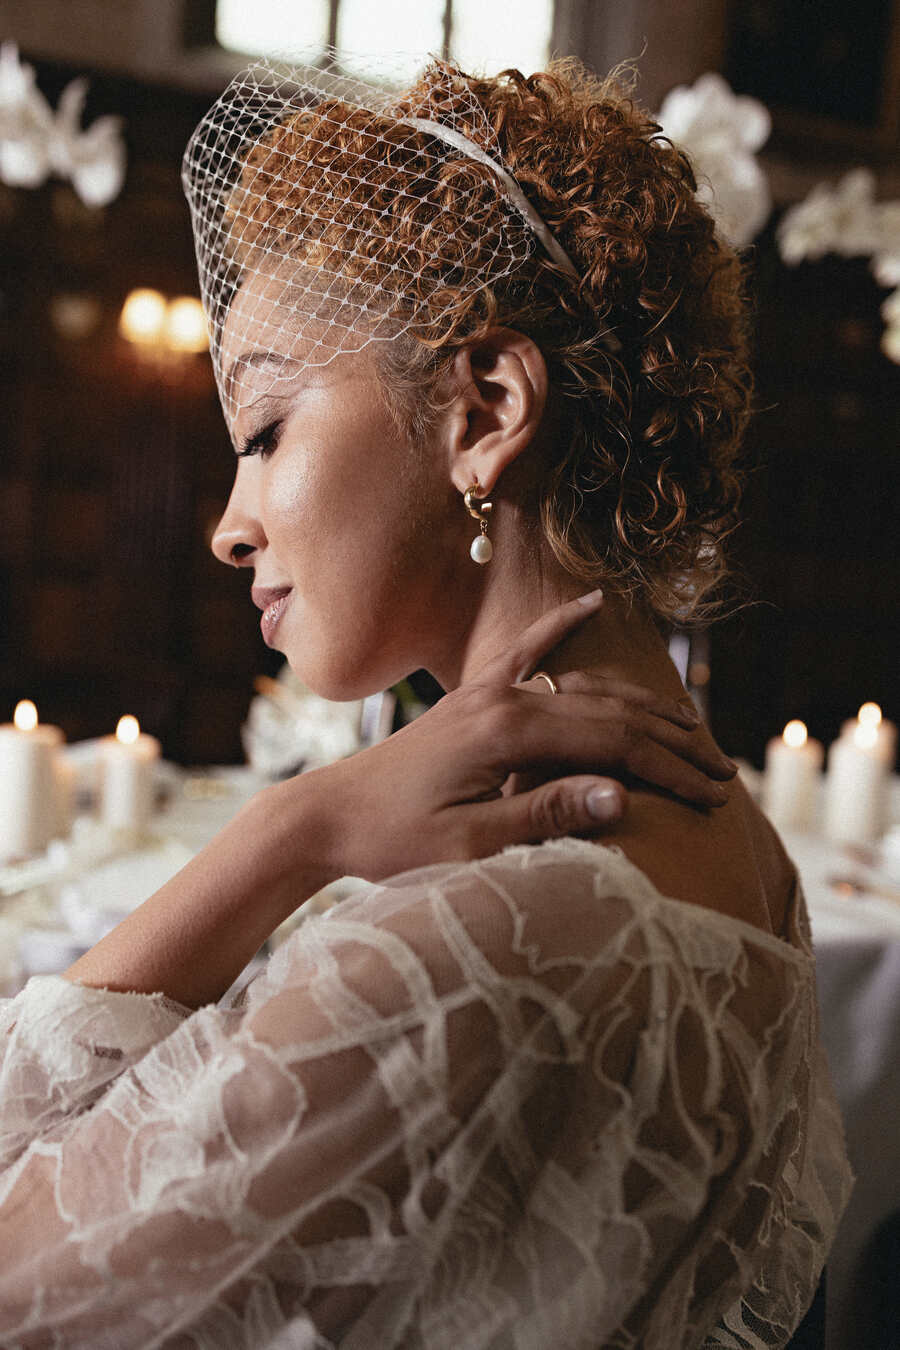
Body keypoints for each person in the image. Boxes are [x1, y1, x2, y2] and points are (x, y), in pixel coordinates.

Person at [0, 53, 851, 1348]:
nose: (229, 528)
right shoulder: (743, 849)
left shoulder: (471, 948)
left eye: (268, 427)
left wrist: (292, 831)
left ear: (486, 409)